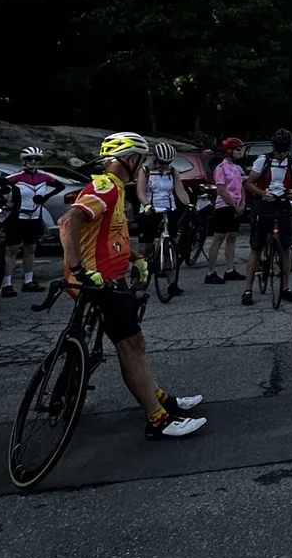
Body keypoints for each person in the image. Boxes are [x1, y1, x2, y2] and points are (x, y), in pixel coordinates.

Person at [59, 132, 205, 440]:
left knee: (134, 345)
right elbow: (68, 222)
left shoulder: (116, 190)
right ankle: (157, 418)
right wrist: (78, 269)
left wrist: (135, 258)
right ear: (131, 160)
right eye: (141, 160)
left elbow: (108, 236)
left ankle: (161, 400)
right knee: (132, 346)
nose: (144, 166)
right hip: (99, 282)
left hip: (111, 276)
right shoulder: (105, 186)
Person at [242, 128, 292, 305]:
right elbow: (249, 183)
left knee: (285, 247)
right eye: (279, 151)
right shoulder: (263, 161)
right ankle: (247, 289)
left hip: (282, 204)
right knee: (256, 247)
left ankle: (285, 288)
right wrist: (261, 193)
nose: (282, 154)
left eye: (284, 151)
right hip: (264, 205)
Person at [3, 146, 63, 296]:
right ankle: (7, 284)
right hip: (18, 218)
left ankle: (28, 282)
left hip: (35, 217)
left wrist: (46, 198)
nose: (33, 162)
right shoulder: (16, 176)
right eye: (30, 159)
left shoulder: (44, 176)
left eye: (37, 159)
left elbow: (60, 186)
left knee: (30, 250)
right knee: (12, 251)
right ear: (23, 161)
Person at [135, 140, 189, 299]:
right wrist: (146, 205)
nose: (165, 166)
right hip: (150, 210)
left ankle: (172, 283)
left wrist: (188, 204)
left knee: (169, 247)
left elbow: (180, 190)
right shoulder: (144, 171)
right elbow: (140, 192)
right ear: (156, 159)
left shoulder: (173, 172)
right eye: (163, 162)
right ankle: (139, 279)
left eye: (168, 163)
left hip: (168, 209)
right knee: (145, 247)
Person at [204, 137, 246, 285]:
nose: (240, 153)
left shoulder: (237, 168)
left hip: (236, 206)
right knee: (218, 238)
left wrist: (242, 203)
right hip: (224, 207)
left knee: (232, 237)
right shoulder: (220, 169)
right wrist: (234, 205)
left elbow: (241, 187)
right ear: (229, 151)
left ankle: (230, 269)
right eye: (238, 150)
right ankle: (210, 272)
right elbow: (221, 190)